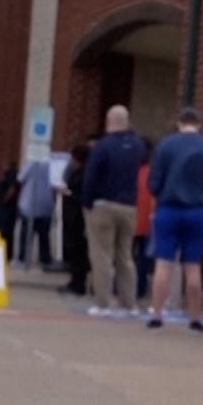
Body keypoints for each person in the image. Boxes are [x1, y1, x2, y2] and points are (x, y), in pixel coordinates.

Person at [146, 108, 203, 332]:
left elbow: (153, 183)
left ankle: (157, 314)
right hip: (196, 210)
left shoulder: (166, 145)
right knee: (193, 266)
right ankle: (196, 317)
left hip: (168, 209)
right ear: (198, 124)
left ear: (179, 123)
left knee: (163, 264)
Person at [81, 105, 148, 316]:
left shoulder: (103, 146)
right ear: (127, 121)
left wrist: (86, 201)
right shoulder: (138, 146)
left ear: (109, 121)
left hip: (103, 205)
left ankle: (103, 302)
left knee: (102, 254)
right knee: (125, 256)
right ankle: (130, 303)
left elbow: (91, 176)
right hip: (129, 205)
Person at [57, 142, 93, 296]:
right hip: (71, 216)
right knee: (74, 250)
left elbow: (80, 195)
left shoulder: (84, 174)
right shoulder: (78, 172)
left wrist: (68, 193)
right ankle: (74, 281)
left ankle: (78, 283)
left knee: (79, 251)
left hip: (77, 216)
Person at [17, 157, 56, 269]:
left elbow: (20, 178)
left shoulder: (31, 162)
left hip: (29, 204)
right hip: (46, 204)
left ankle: (23, 258)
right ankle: (45, 259)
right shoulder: (51, 164)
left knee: (26, 235)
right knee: (44, 236)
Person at [131, 142, 156, 305]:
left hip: (132, 219)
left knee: (125, 256)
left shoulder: (131, 172)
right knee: (143, 259)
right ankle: (139, 289)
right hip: (148, 221)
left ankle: (123, 287)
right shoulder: (154, 173)